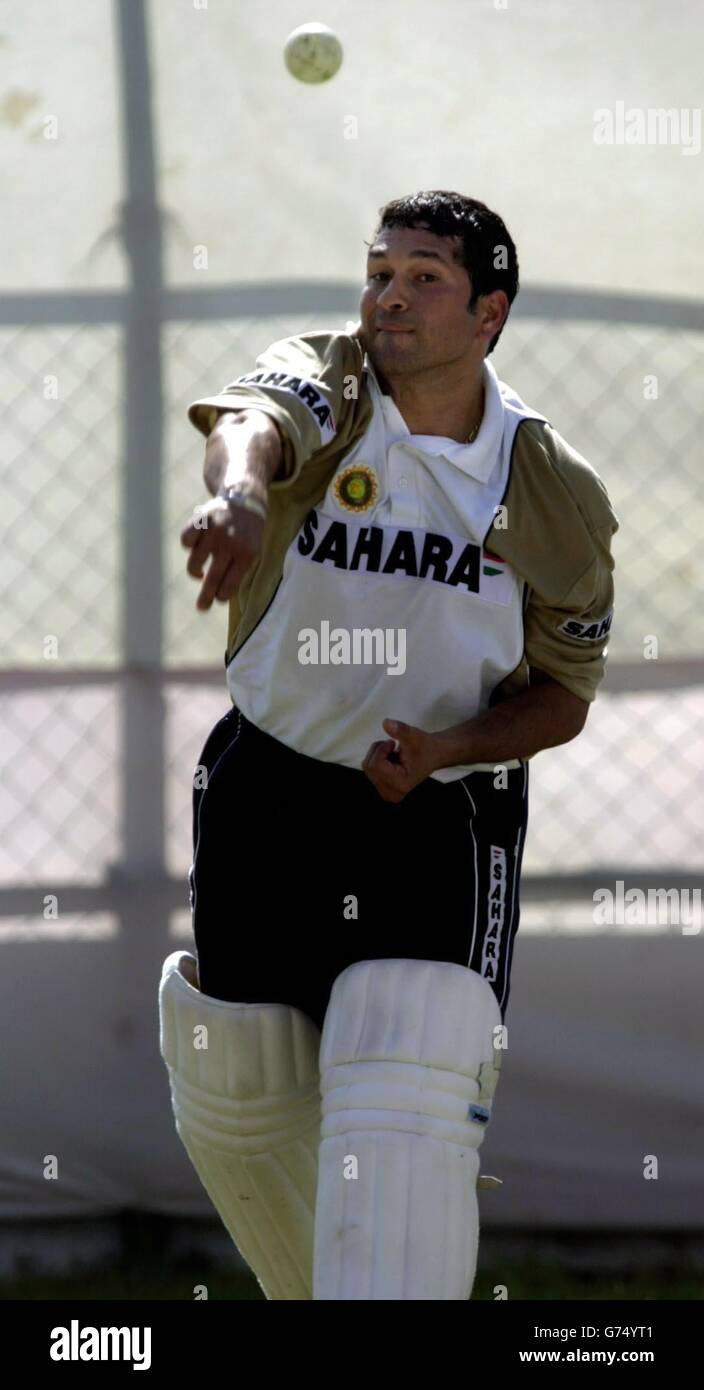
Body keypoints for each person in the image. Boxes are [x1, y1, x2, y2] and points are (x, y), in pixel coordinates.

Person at [158, 190, 619, 1301]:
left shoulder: (548, 493)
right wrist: (241, 504)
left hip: (437, 807)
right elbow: (250, 429)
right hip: (266, 782)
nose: (387, 297)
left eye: (423, 278)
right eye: (378, 271)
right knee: (238, 1091)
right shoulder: (335, 381)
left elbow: (561, 695)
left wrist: (450, 743)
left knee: (403, 1081)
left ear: (487, 314)